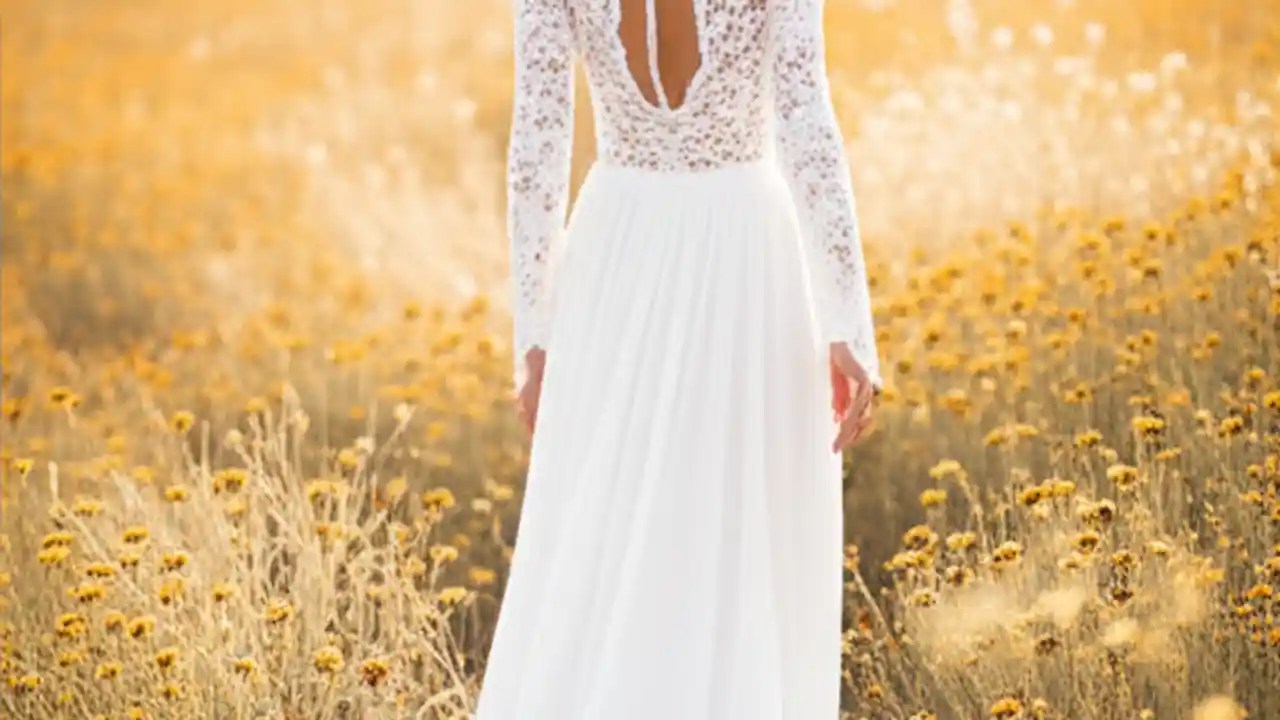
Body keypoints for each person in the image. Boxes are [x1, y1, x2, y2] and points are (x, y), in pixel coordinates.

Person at [475, 0, 883, 717]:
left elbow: (538, 143)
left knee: (608, 525)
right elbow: (804, 117)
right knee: (737, 530)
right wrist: (846, 318)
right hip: (744, 246)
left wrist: (534, 335)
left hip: (615, 251)